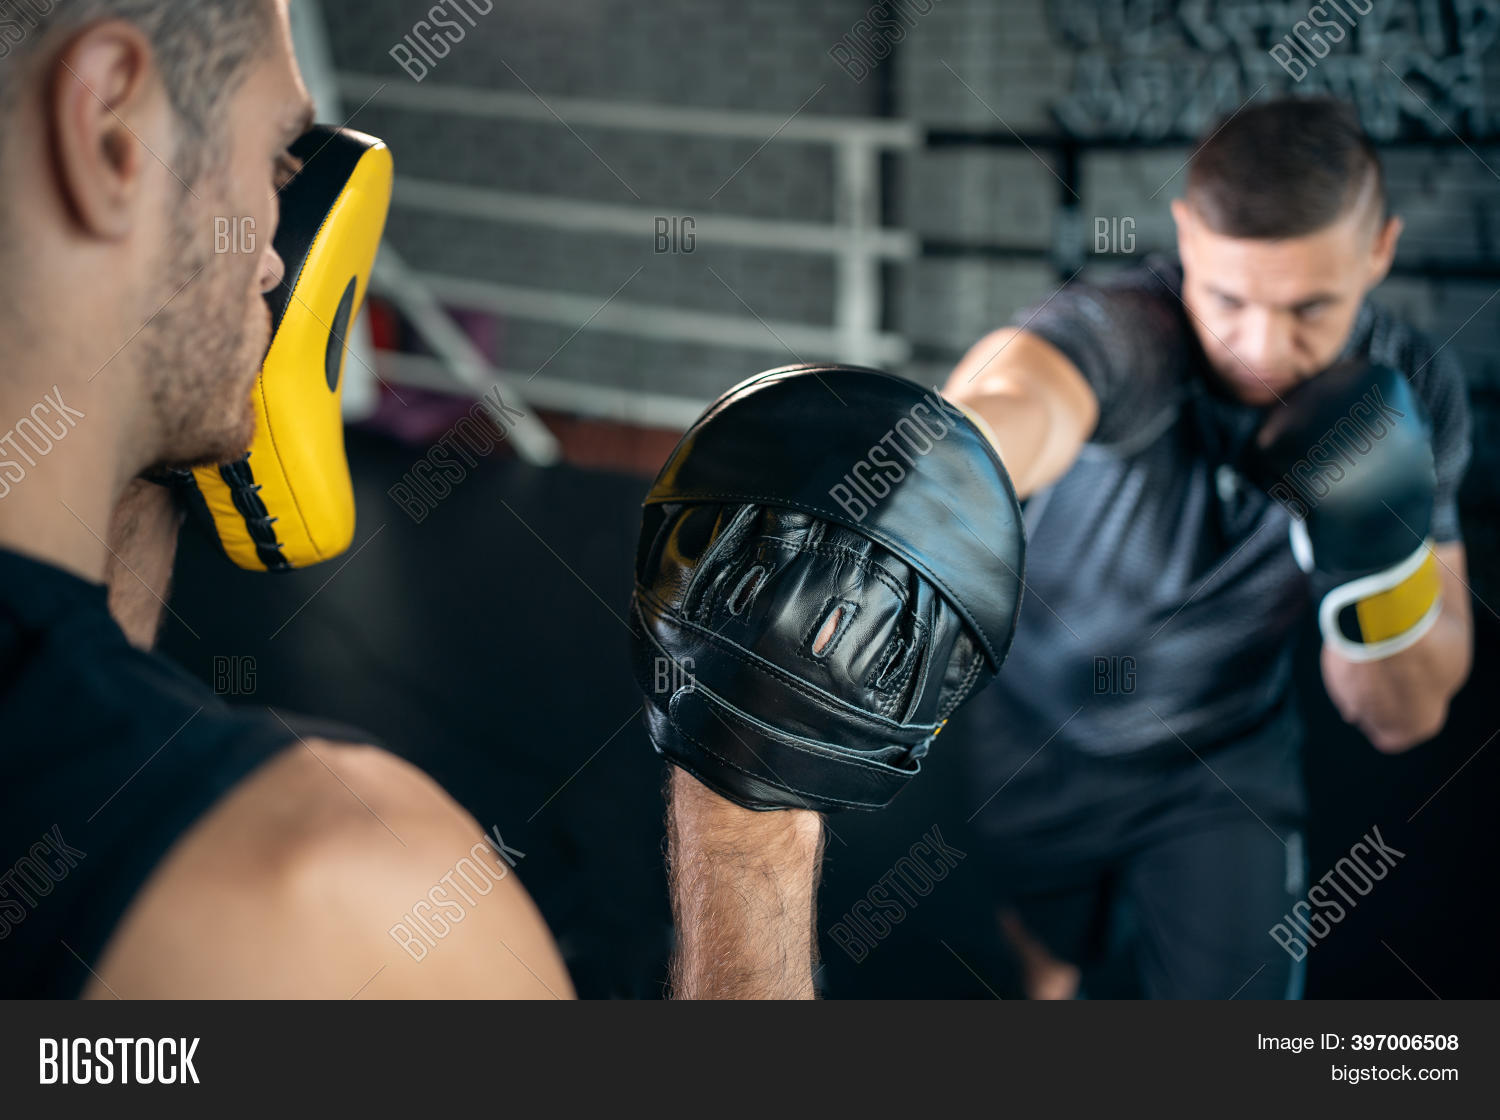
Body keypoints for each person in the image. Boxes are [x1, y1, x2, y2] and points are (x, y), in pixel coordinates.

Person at [0, 0, 570, 999]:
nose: (273, 260)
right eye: (273, 161)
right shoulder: (328, 897)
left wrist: (150, 418)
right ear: (109, 132)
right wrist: (749, 817)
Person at [942, 97, 1473, 999]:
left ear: (1379, 251)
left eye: (1310, 306)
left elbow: (1404, 716)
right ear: (1186, 236)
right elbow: (1019, 395)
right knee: (1043, 961)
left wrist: (1378, 551)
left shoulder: (1414, 387)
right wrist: (937, 465)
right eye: (1227, 298)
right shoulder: (1128, 333)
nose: (1261, 347)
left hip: (1223, 757)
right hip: (1039, 731)